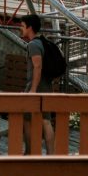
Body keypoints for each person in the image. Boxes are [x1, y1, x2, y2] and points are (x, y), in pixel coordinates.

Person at [19, 13, 55, 153]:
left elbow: (37, 66)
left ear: (30, 28)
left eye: (22, 26)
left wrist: (32, 90)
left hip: (37, 87)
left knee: (27, 119)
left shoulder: (33, 45)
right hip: (46, 86)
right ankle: (51, 154)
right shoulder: (42, 42)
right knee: (46, 120)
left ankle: (29, 152)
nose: (21, 28)